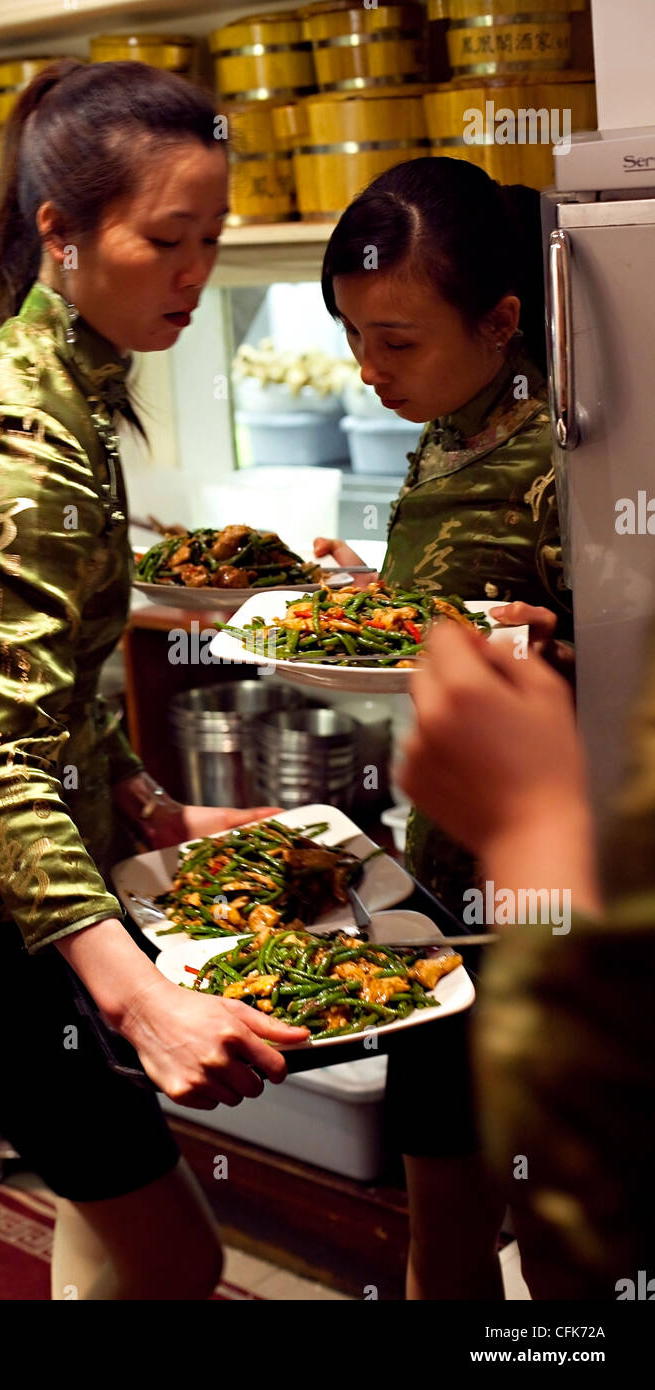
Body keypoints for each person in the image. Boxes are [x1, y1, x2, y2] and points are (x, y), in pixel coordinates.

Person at [0, 58, 309, 1302]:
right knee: (176, 1254)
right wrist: (142, 999)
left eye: (212, 239)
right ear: (60, 232)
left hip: (48, 887)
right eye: (165, 240)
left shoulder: (76, 384)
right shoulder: (25, 427)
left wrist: (155, 809)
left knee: (108, 1230)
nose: (195, 276)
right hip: (11, 922)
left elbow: (65, 689)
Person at [312, 156, 572, 1299]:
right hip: (436, 881)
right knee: (440, 1215)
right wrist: (368, 594)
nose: (368, 371)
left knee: (565, 1240)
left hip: (540, 899)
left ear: (500, 319)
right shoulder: (451, 423)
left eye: (395, 341)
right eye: (353, 338)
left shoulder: (564, 457)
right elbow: (453, 609)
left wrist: (565, 655)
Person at [398, 617, 655, 1298]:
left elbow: (596, 1230)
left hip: (555, 959)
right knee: (449, 1241)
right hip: (461, 928)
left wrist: (527, 827)